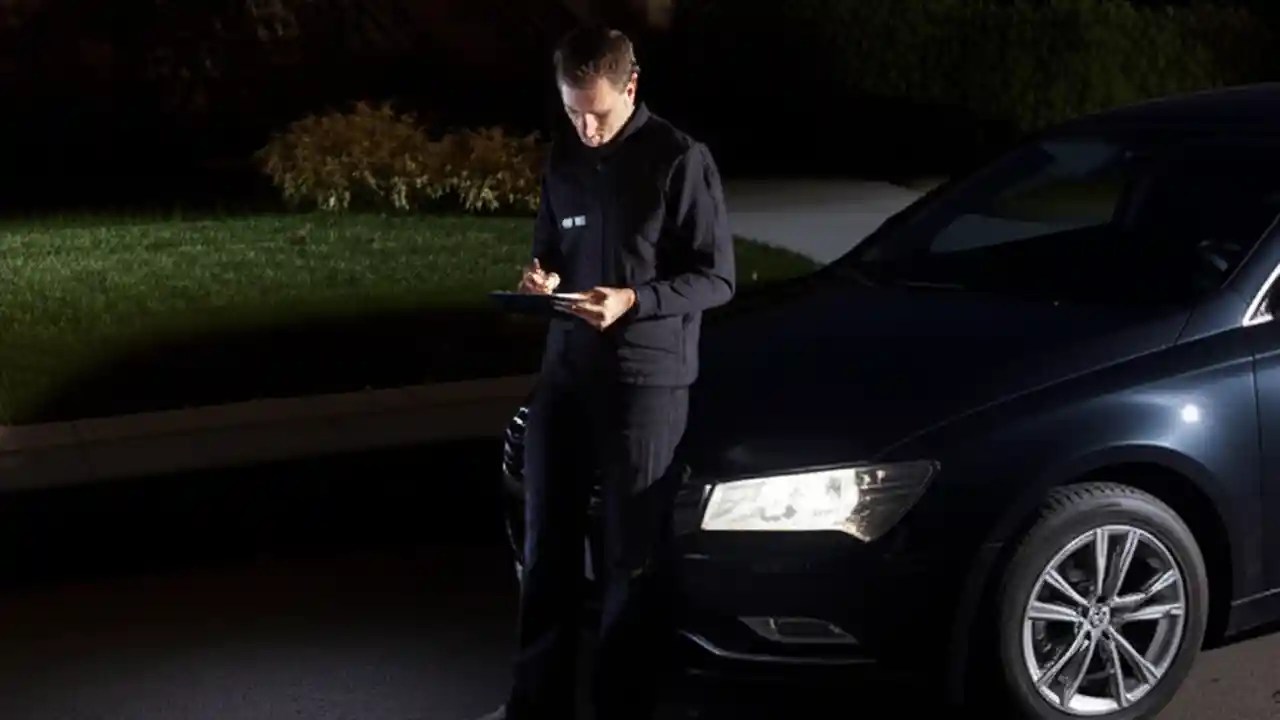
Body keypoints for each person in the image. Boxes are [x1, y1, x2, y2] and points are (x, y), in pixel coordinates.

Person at [476, 23, 736, 720]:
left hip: (646, 383)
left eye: (598, 111)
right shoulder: (564, 156)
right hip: (566, 373)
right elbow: (547, 247)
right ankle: (535, 704)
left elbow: (717, 279)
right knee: (546, 547)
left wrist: (635, 299)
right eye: (572, 111)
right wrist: (540, 279)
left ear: (632, 86)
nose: (586, 127)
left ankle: (622, 706)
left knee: (631, 559)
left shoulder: (679, 160)